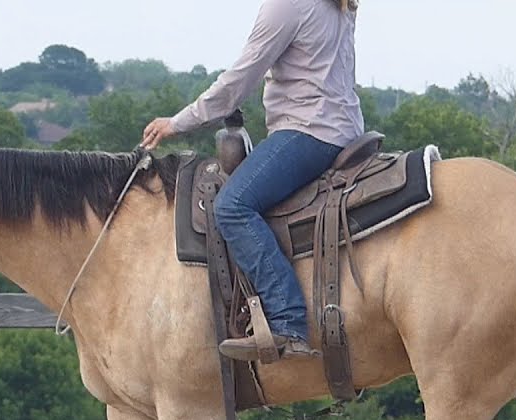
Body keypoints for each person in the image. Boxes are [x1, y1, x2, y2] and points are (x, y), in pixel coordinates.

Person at [142, 0, 365, 362]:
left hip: (309, 131)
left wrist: (178, 122)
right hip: (344, 130)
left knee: (232, 206)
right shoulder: (336, 3)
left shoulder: (287, 4)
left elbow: (242, 77)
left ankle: (287, 322)